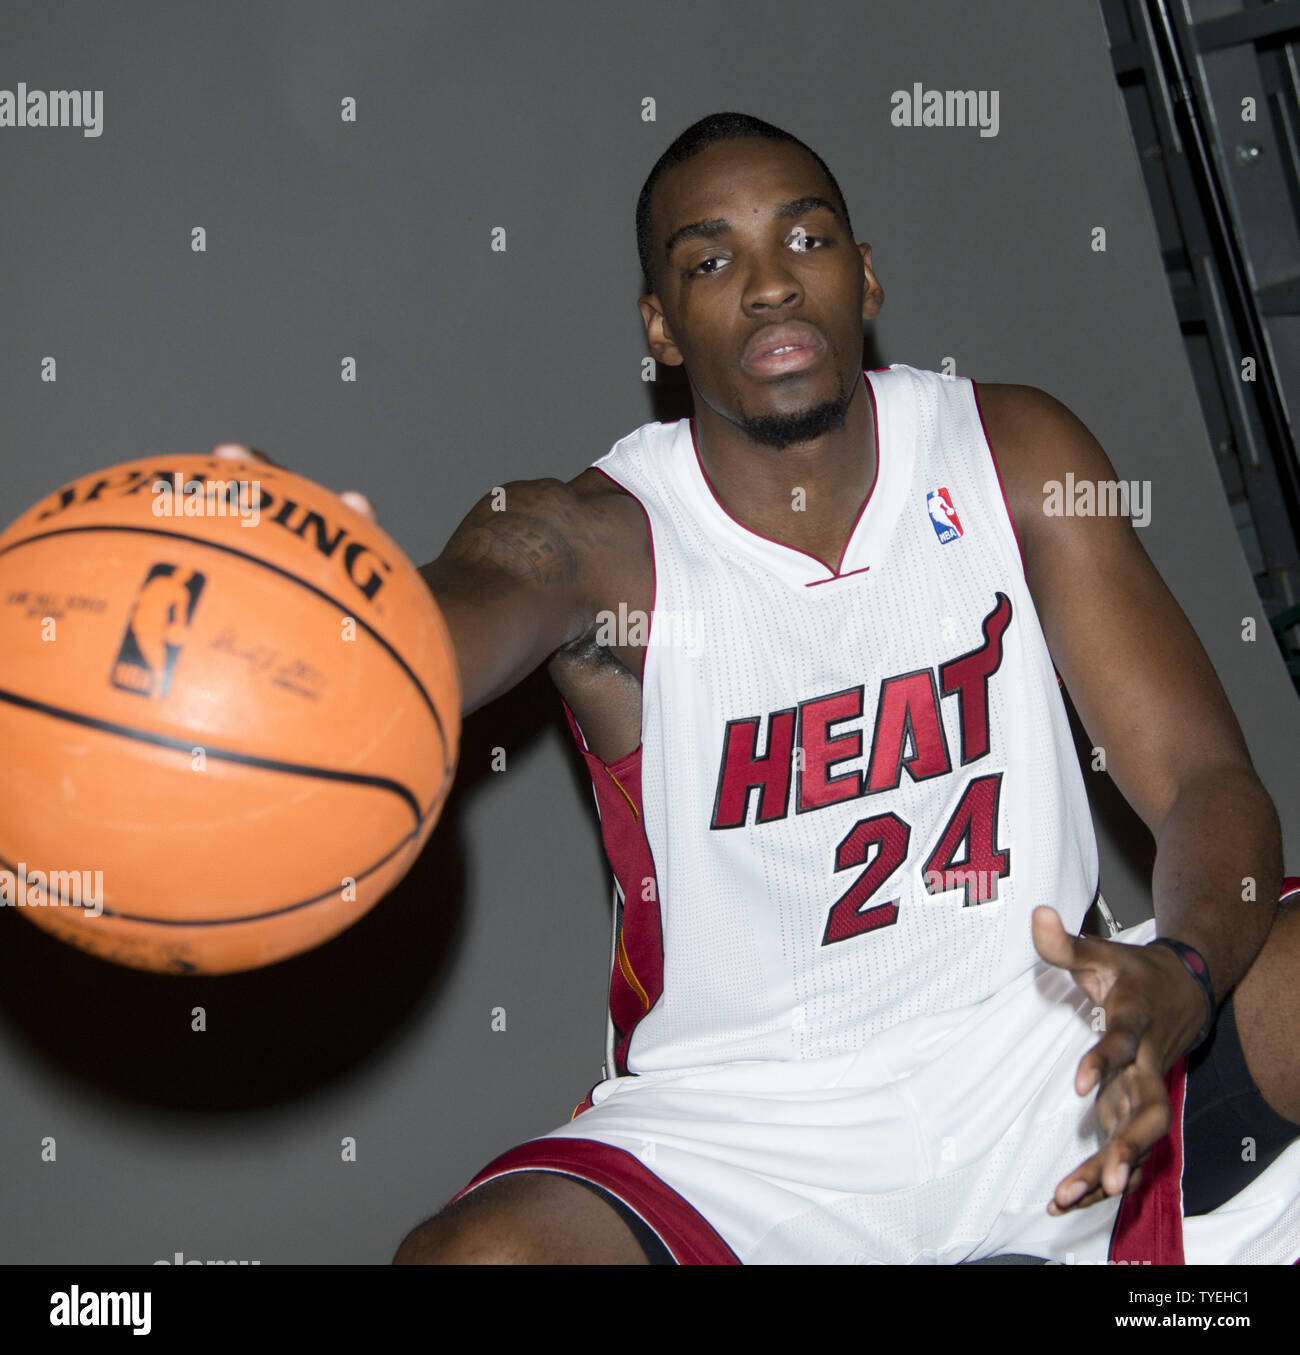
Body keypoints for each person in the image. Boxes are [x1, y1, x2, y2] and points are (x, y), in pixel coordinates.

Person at [223, 112, 1300, 1265]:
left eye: (806, 238)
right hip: (748, 1133)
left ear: (866, 273)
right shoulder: (600, 540)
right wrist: (344, 610)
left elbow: (1202, 779)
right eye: (710, 261)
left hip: (1042, 1048)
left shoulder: (1013, 453)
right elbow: (459, 618)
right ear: (661, 329)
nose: (771, 285)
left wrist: (1182, 969)